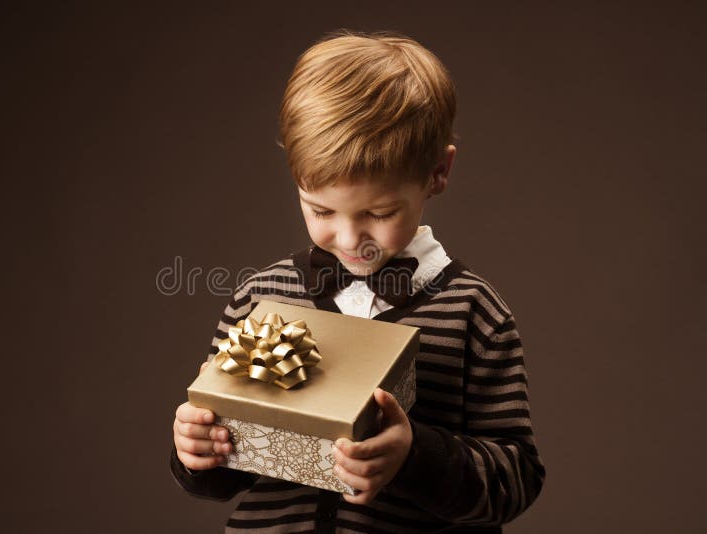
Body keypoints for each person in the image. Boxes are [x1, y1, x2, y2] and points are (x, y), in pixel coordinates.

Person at [170, 29, 545, 533]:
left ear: (438, 172)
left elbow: (514, 480)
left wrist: (413, 457)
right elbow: (227, 468)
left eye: (380, 211)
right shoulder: (259, 297)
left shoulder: (474, 313)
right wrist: (198, 454)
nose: (349, 239)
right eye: (321, 209)